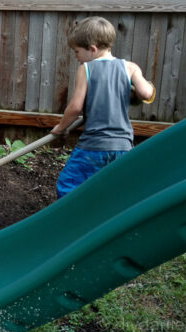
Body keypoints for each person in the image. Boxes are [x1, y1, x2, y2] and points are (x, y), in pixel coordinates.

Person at [51, 16, 155, 198]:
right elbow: (146, 93)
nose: (76, 57)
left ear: (92, 49)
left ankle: (71, 215)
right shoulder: (130, 67)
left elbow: (75, 107)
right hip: (123, 146)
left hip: (94, 146)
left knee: (68, 184)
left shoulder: (86, 69)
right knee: (115, 188)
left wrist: (61, 127)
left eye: (76, 51)